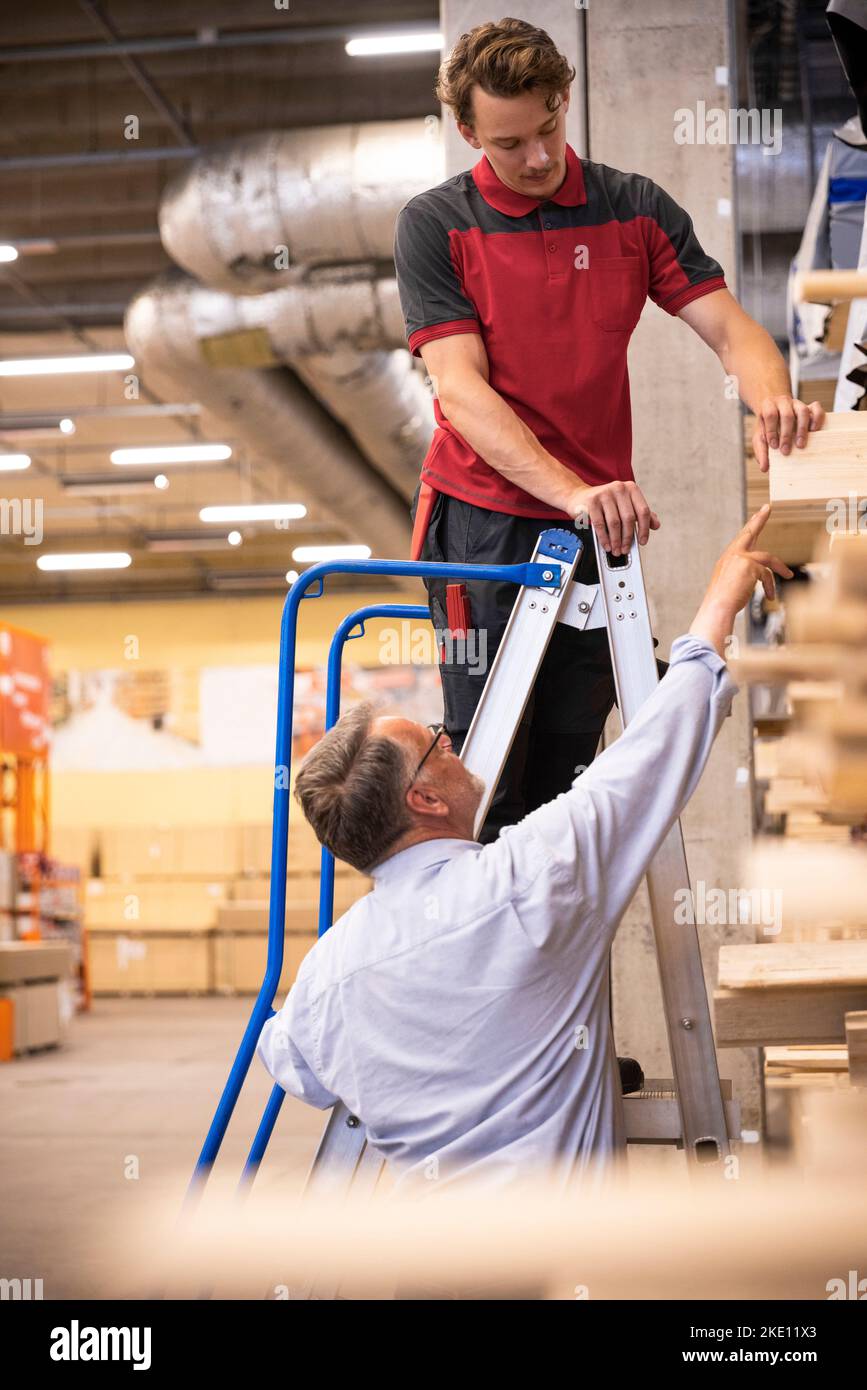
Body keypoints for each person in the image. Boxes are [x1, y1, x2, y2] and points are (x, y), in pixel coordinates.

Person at [256, 507, 791, 1196]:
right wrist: (719, 599)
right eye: (431, 743)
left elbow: (290, 1059)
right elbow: (647, 760)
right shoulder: (524, 881)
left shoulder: (328, 970)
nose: (449, 739)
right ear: (421, 801)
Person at [393, 16, 825, 841]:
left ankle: (566, 961)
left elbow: (733, 333)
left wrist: (771, 399)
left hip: (594, 523)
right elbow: (461, 393)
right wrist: (575, 492)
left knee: (569, 771)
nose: (537, 157)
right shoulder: (434, 225)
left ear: (565, 99)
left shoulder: (631, 207)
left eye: (548, 128)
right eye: (509, 142)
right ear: (467, 131)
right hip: (480, 526)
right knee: (485, 780)